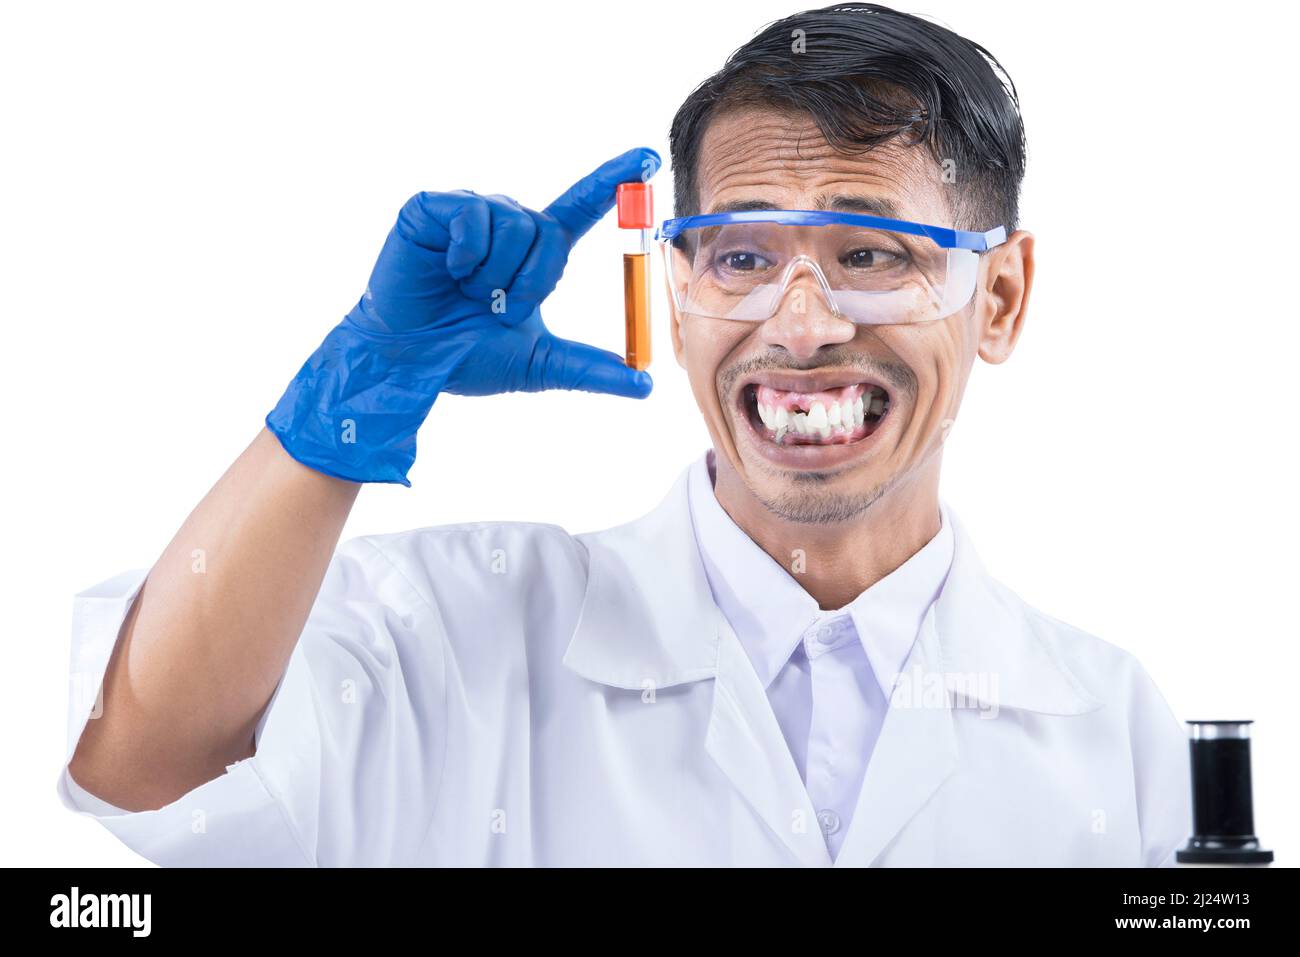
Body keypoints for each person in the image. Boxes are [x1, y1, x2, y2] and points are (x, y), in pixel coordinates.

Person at [59, 3, 1191, 866]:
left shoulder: (1116, 731)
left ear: (996, 299)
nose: (797, 327)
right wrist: (349, 401)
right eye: (742, 257)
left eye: (870, 252)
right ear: (681, 287)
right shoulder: (461, 639)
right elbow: (144, 764)